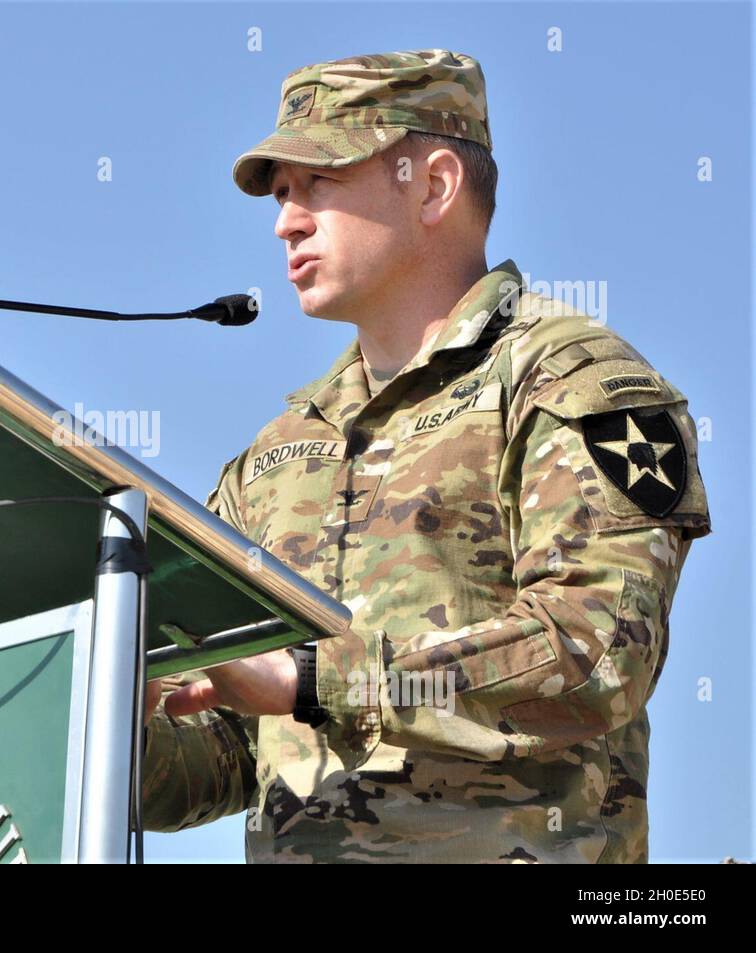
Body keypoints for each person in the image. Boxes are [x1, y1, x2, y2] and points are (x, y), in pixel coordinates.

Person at [140, 49, 711, 863]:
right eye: (280, 195)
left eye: (319, 183)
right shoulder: (273, 460)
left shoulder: (568, 384)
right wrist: (109, 712)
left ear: (435, 184)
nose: (286, 221)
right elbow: (230, 756)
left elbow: (596, 652)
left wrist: (316, 679)